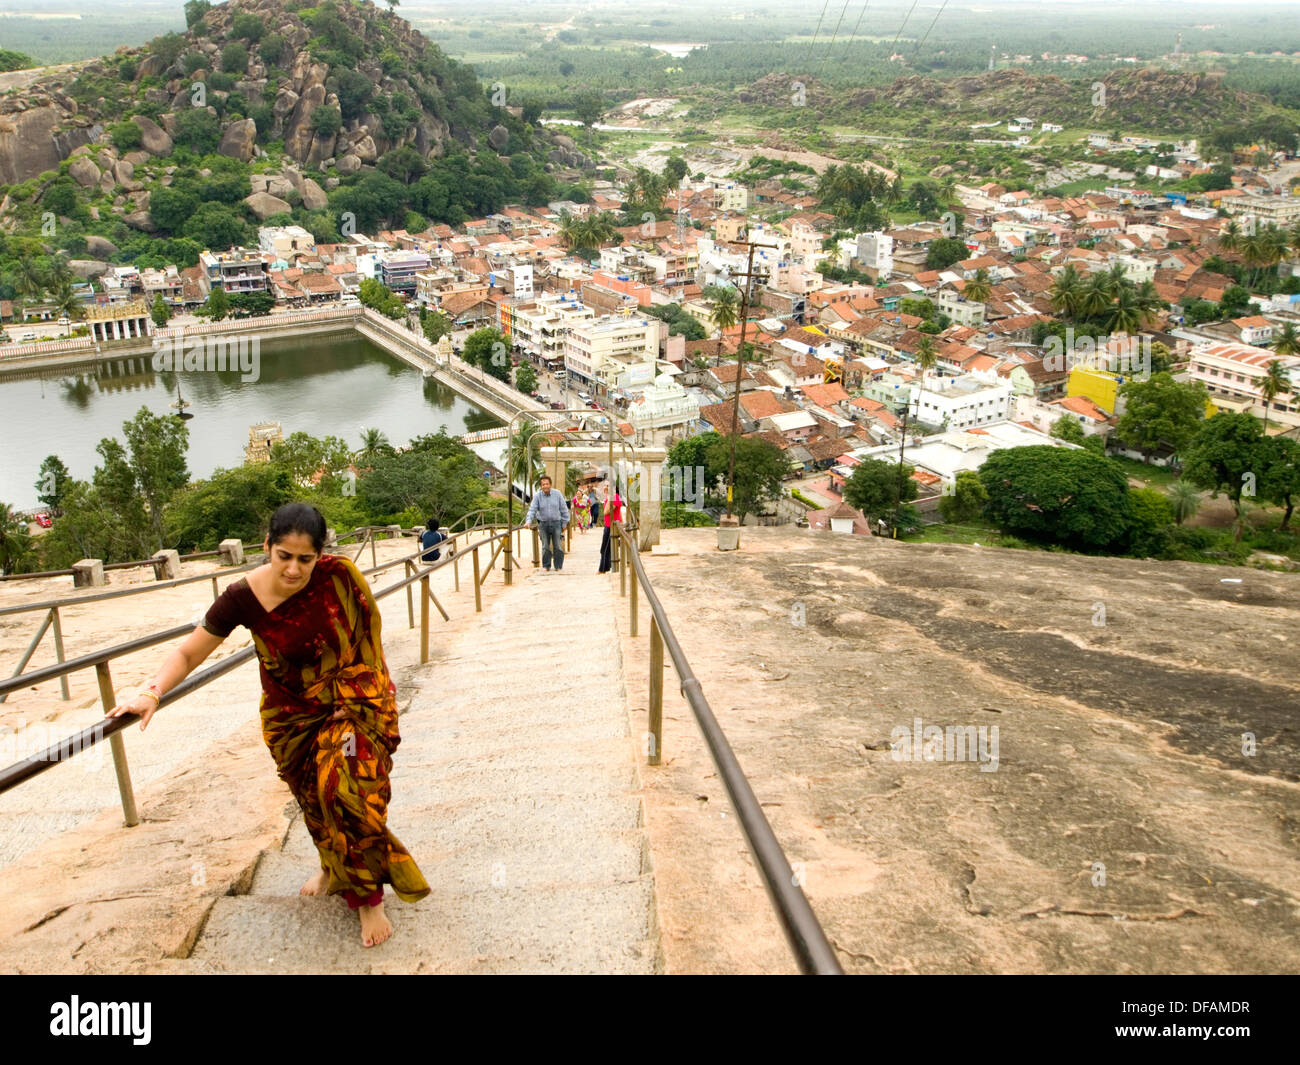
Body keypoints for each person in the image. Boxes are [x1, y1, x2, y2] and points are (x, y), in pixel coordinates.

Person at [105, 503, 429, 948]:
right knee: (314, 800)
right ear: (266, 548)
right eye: (284, 556)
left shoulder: (339, 577)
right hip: (290, 720)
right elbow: (188, 653)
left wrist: (356, 695)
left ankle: (368, 898)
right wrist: (151, 691)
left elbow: (367, 640)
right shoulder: (241, 597)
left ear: (321, 555)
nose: (294, 569)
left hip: (350, 708)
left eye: (305, 559)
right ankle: (332, 863)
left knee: (346, 792)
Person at [524, 474, 570, 572]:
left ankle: (558, 566)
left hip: (556, 523)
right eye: (543, 484)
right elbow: (532, 509)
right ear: (541, 486)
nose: (545, 486)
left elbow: (563, 509)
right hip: (543, 524)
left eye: (547, 484)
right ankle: (546, 566)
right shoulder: (537, 496)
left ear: (550, 484)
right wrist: (528, 521)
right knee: (545, 546)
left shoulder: (557, 494)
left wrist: (565, 523)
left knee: (557, 545)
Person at [598, 481, 624, 574]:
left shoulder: (614, 498)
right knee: (606, 548)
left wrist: (609, 498)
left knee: (605, 549)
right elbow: (619, 512)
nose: (605, 487)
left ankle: (602, 569)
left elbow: (606, 511)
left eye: (608, 486)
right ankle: (606, 567)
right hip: (608, 525)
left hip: (611, 526)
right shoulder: (611, 497)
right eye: (605, 485)